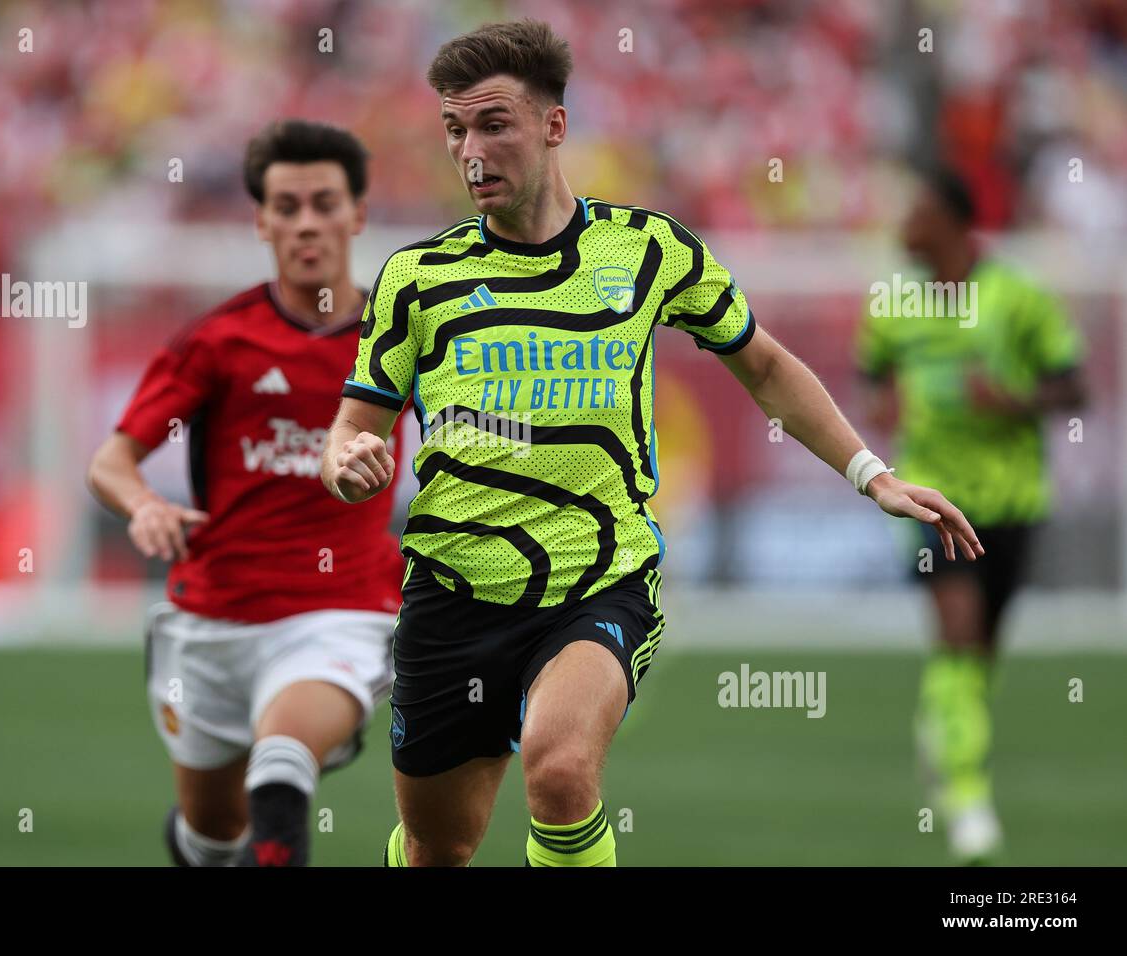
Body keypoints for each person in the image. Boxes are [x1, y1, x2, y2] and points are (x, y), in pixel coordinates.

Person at [322, 20, 981, 867]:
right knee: (437, 847)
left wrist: (871, 474)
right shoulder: (418, 280)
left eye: (494, 125)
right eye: (455, 129)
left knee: (559, 772)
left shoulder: (647, 251)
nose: (471, 151)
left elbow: (767, 367)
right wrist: (347, 463)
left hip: (600, 578)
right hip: (453, 591)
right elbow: (355, 426)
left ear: (555, 126)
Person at [87, 120, 403, 866]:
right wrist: (146, 506)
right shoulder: (221, 341)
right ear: (260, 220)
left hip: (340, 613)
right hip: (214, 622)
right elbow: (111, 461)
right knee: (213, 836)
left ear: (356, 214)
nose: (305, 222)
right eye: (286, 206)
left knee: (282, 767)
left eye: (324, 202)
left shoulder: (399, 337)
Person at [857, 166, 1085, 863]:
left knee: (978, 654)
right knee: (957, 634)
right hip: (932, 501)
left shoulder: (1018, 298)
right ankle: (966, 801)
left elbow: (1073, 387)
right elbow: (874, 379)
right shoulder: (891, 303)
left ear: (953, 223)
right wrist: (884, 409)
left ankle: (946, 724)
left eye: (917, 211)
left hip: (1012, 502)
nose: (903, 225)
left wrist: (1012, 401)